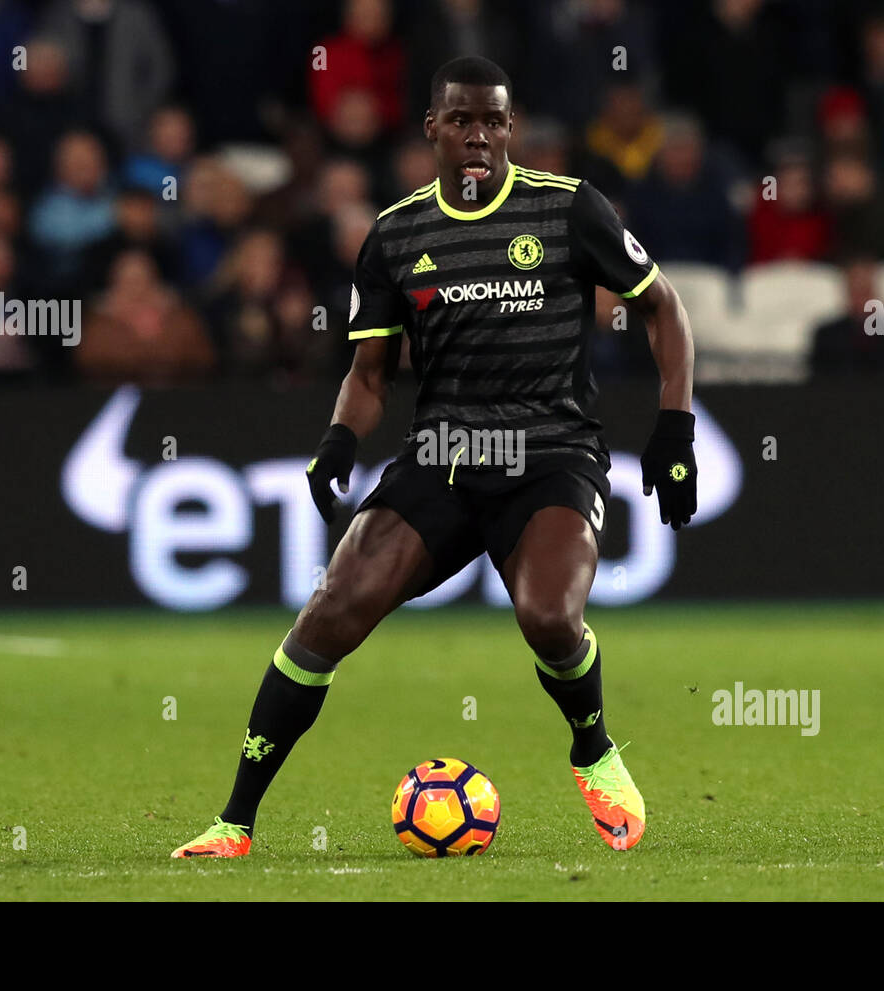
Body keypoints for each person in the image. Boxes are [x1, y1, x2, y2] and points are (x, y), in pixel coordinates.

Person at [171, 56, 698, 859]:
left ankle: (593, 749)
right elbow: (371, 371)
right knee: (330, 610)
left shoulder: (567, 209)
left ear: (511, 129)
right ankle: (234, 822)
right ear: (432, 130)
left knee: (550, 618)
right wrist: (338, 440)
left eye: (493, 120)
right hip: (444, 456)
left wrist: (675, 426)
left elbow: (661, 306)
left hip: (551, 453)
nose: (479, 135)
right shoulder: (394, 235)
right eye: (462, 120)